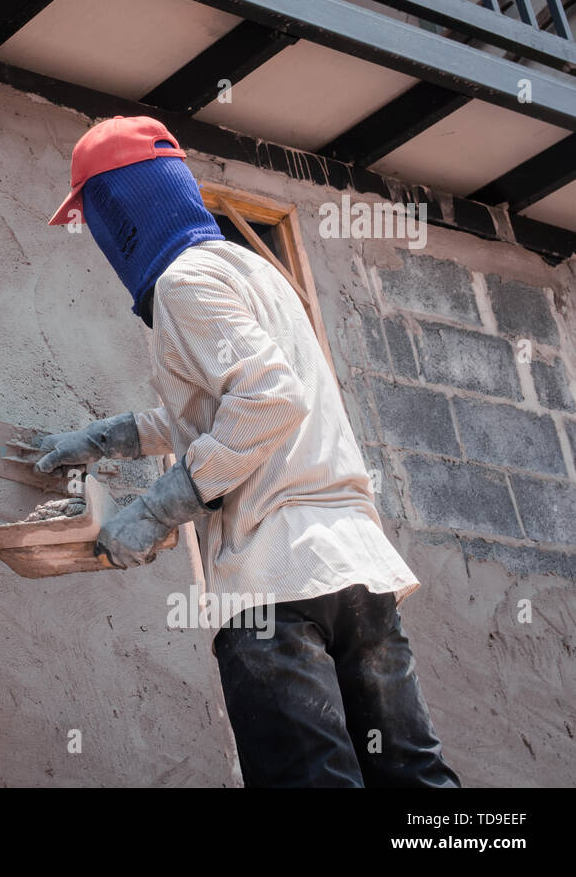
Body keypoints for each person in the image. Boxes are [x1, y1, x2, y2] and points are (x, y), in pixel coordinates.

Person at [35, 115, 460, 788]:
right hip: (356, 575)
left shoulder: (182, 285)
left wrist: (158, 508)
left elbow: (267, 402)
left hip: (277, 583)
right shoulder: (246, 270)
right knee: (412, 780)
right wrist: (106, 437)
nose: (97, 237)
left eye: (93, 216)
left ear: (122, 207)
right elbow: (228, 403)